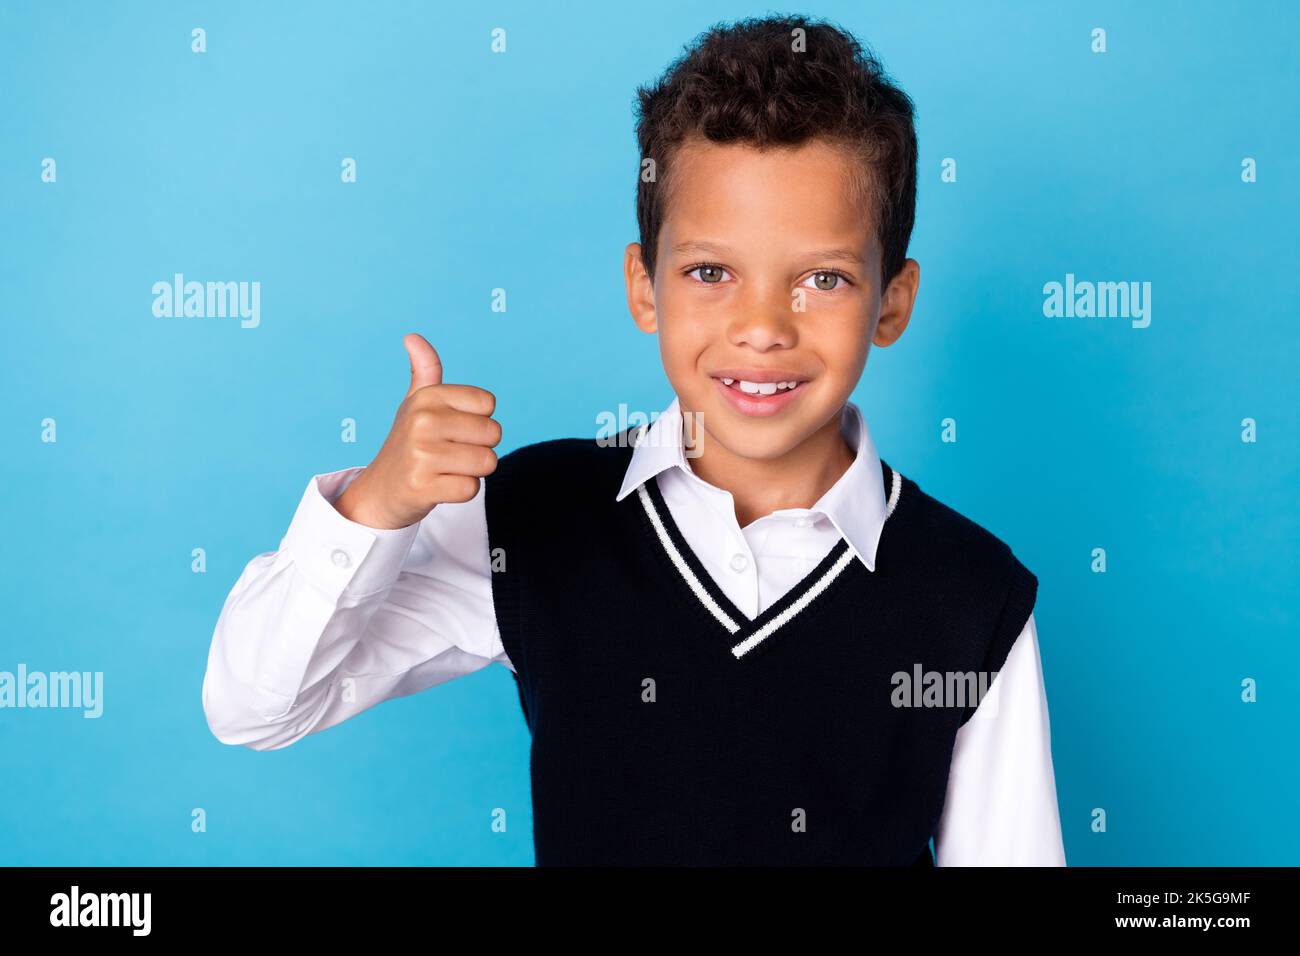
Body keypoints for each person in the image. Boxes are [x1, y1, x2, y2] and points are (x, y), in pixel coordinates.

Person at [202, 14, 1066, 866]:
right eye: (710, 272)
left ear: (892, 302)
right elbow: (256, 709)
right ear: (645, 287)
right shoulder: (534, 520)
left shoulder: (973, 597)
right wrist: (375, 509)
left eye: (823, 278)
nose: (763, 327)